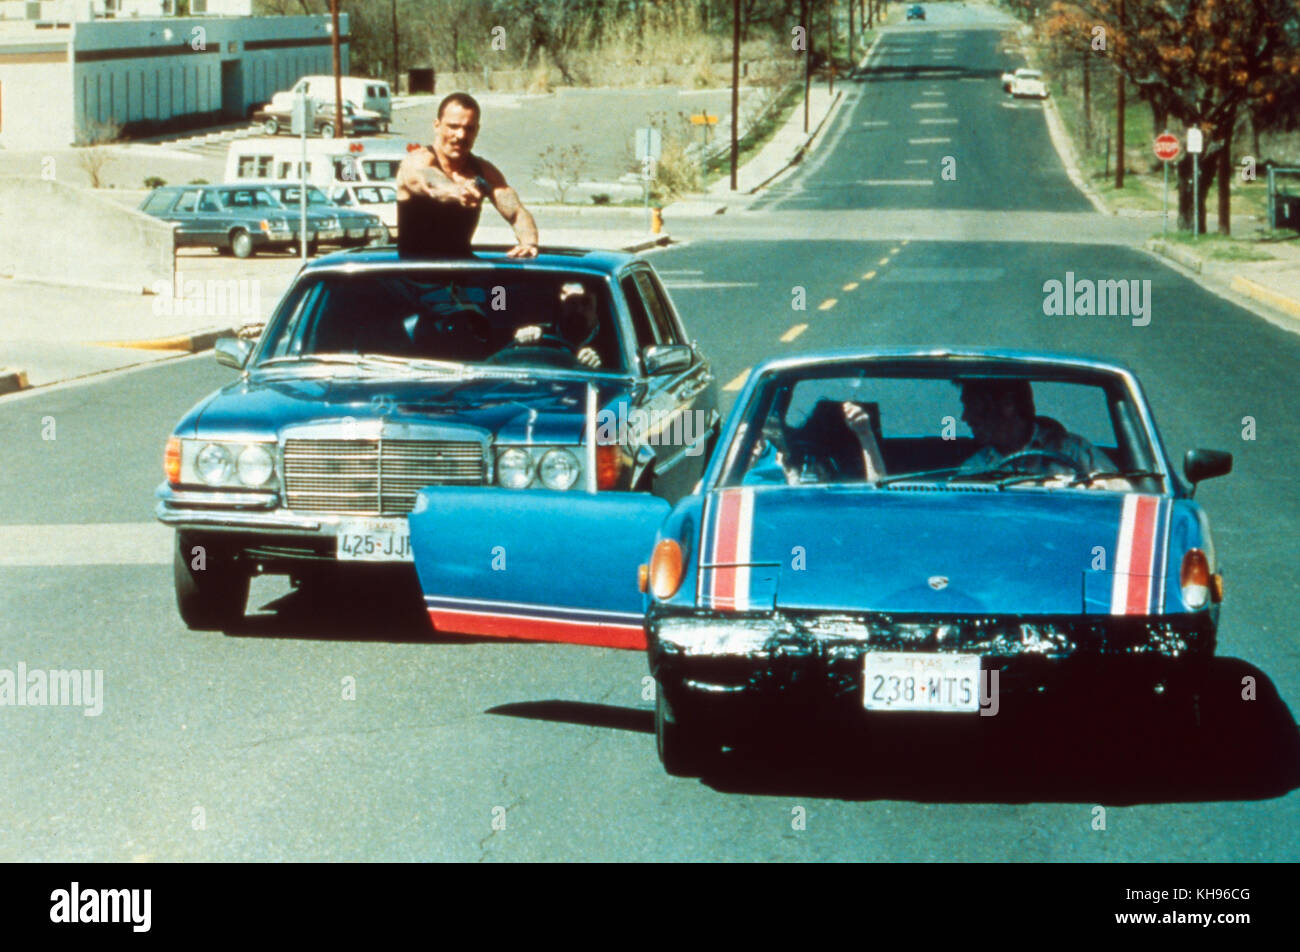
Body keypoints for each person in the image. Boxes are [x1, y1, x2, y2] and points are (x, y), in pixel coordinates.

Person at [396, 92, 539, 258]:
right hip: (413, 278)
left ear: (476, 131)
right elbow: (430, 182)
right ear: (437, 125)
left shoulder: (483, 171)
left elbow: (515, 212)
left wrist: (529, 243)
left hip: (462, 273)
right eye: (453, 127)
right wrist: (457, 191)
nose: (461, 135)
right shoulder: (417, 161)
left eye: (468, 128)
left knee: (508, 284)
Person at [957, 378, 1100, 477]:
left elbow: (1117, 492)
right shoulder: (974, 466)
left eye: (972, 406)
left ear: (1008, 405)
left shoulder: (1074, 451)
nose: (965, 417)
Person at [510, 283, 602, 368]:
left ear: (597, 310)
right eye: (571, 302)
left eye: (586, 303)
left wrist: (596, 367)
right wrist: (522, 344)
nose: (578, 310)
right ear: (561, 305)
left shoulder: (612, 341)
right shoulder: (540, 336)